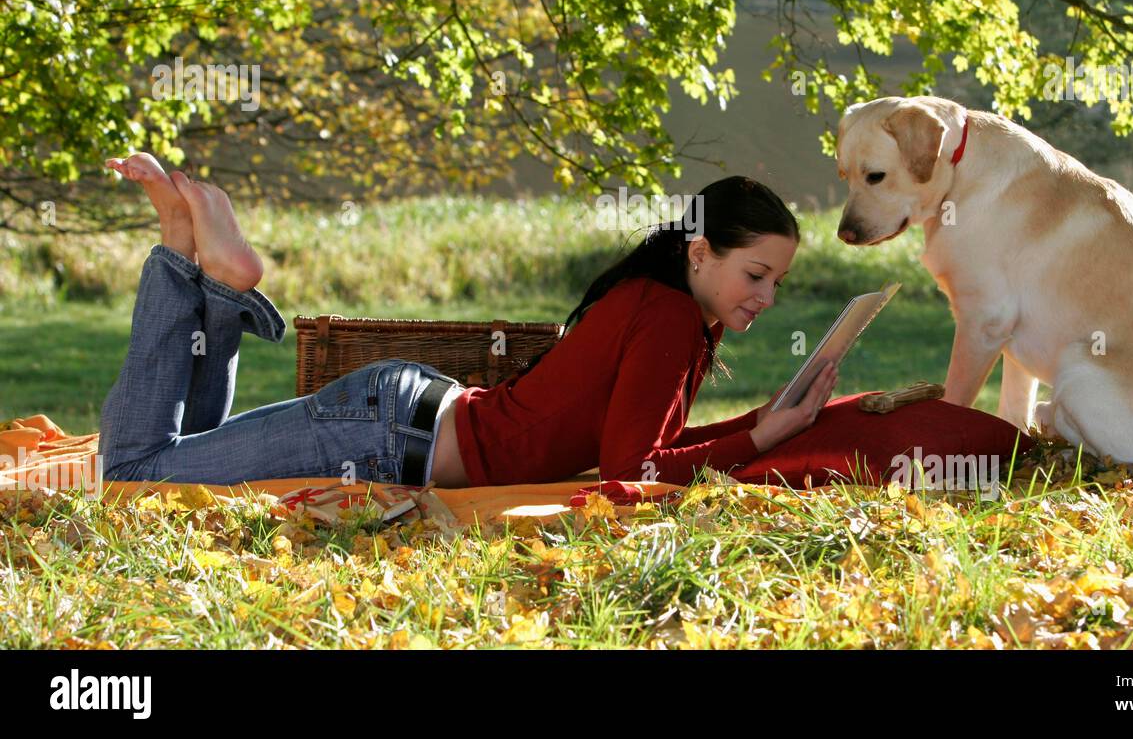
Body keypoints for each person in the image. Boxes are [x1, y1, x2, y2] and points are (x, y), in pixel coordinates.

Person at [98, 157, 840, 489]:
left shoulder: (677, 311)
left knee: (177, 461)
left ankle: (203, 272)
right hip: (387, 435)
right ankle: (183, 257)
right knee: (135, 474)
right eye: (756, 275)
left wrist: (755, 423)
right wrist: (755, 440)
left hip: (402, 418)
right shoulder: (669, 316)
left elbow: (644, 447)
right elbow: (632, 474)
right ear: (702, 252)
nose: (768, 297)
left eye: (777, 280)